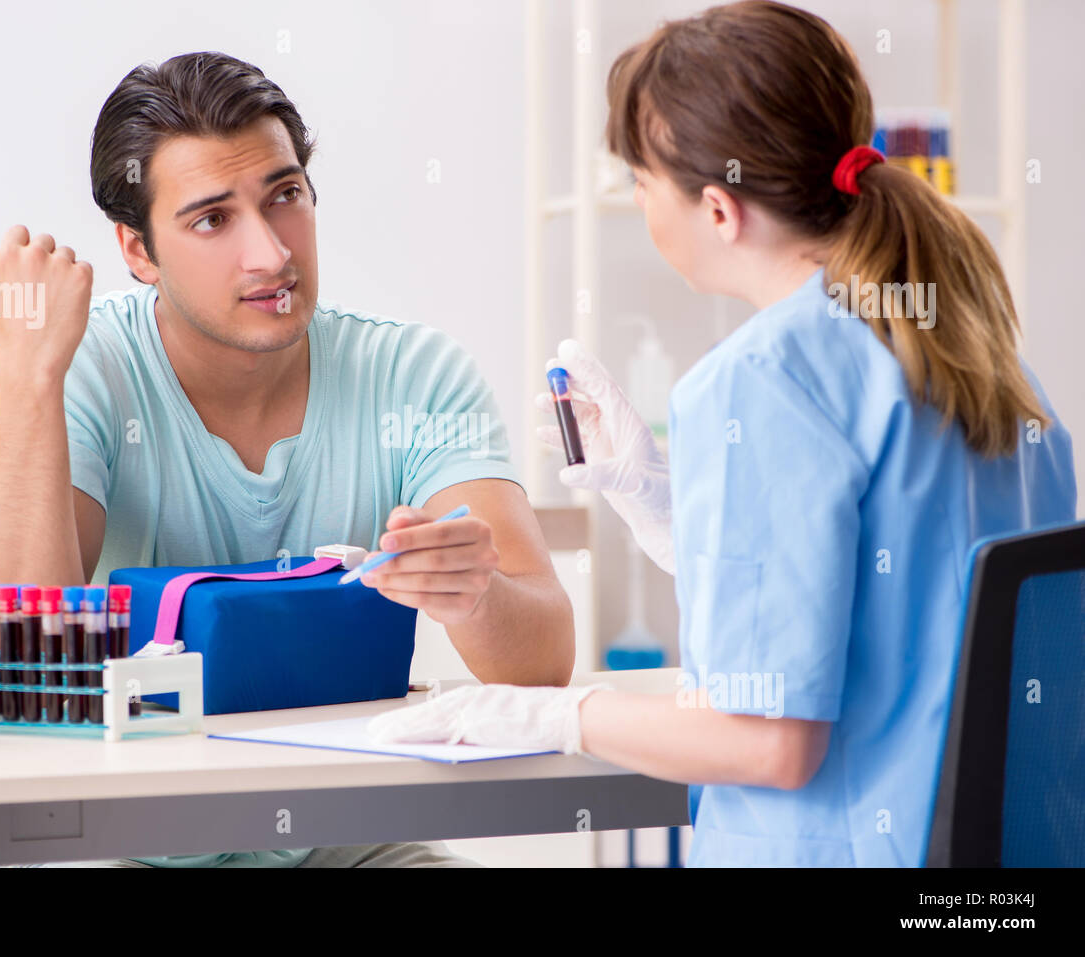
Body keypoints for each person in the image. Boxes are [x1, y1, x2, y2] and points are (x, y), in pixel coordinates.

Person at [369, 0, 1077, 867]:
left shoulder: (763, 379)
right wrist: (659, 502)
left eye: (640, 178)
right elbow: (888, 595)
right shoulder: (984, 366)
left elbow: (768, 742)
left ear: (716, 208)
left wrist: (552, 712)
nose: (636, 198)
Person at [0, 52, 575, 868]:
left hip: (349, 839)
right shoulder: (70, 366)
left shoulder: (415, 374)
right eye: (213, 219)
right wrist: (30, 378)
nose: (272, 254)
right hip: (123, 841)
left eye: (285, 197)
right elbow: (14, 660)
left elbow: (543, 668)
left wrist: (474, 594)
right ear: (138, 251)